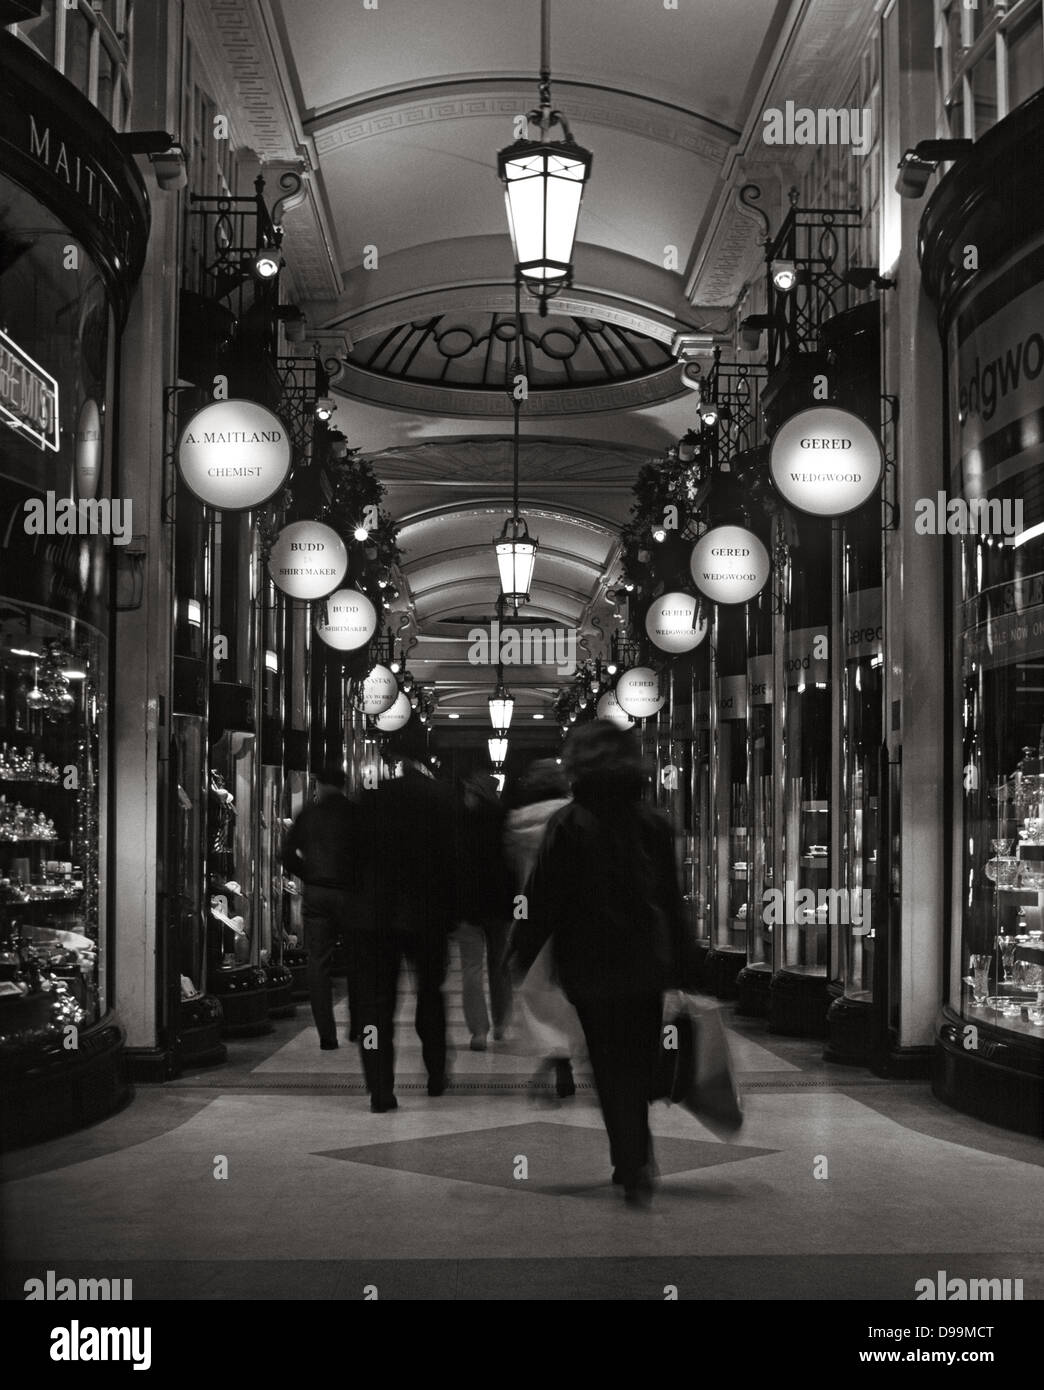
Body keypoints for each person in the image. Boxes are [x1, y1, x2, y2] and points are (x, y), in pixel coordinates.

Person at [513, 723, 688, 1205]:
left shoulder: (568, 824)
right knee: (637, 1057)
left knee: (609, 1062)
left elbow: (541, 897)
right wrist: (685, 962)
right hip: (644, 962)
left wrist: (522, 948)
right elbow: (671, 901)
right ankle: (635, 1150)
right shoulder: (652, 823)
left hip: (588, 964)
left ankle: (629, 1156)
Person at [348, 740, 457, 1112]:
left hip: (374, 914)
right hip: (427, 913)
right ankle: (437, 1073)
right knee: (430, 994)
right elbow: (456, 860)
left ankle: (380, 1088)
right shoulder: (440, 797)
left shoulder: (372, 796)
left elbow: (353, 853)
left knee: (376, 1006)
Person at [502, 759, 582, 1097]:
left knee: (536, 990)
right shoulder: (574, 815)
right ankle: (571, 1049)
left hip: (530, 910)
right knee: (570, 989)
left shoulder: (516, 823)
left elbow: (511, 872)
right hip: (573, 913)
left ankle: (555, 1050)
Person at [282, 763, 363, 1051]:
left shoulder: (309, 814)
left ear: (319, 785)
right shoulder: (356, 814)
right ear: (344, 785)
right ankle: (357, 1025)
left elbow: (287, 855)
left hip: (317, 893)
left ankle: (327, 1035)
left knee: (318, 962)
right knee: (357, 960)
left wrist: (310, 874)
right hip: (350, 895)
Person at [454, 772, 515, 1050]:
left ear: (475, 794)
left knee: (471, 968)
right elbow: (511, 864)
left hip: (468, 906)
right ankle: (501, 1024)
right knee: (500, 967)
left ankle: (478, 1031)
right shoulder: (505, 821)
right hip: (500, 906)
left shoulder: (460, 823)